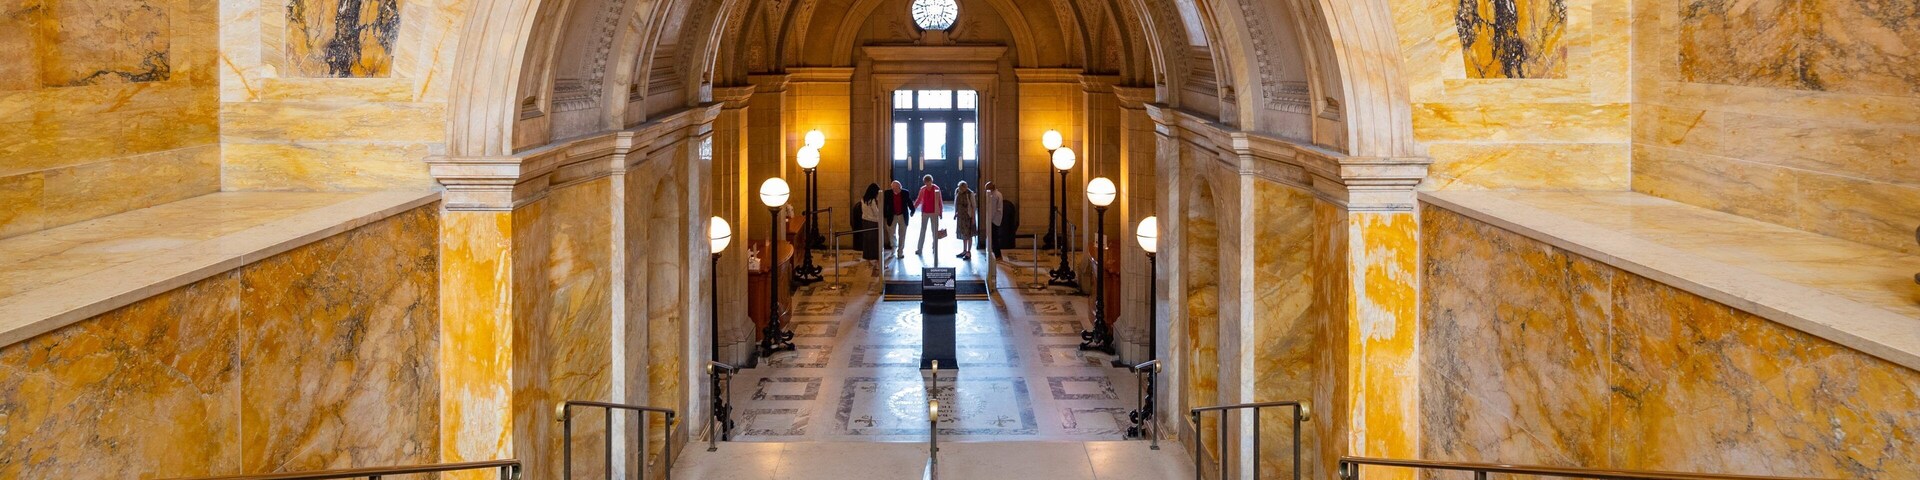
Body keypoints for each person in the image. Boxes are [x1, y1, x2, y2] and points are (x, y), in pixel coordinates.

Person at [912, 175, 943, 256]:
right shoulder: (923, 189)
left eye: (929, 183)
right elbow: (919, 199)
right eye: (926, 183)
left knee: (934, 231)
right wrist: (913, 208)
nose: (928, 185)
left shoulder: (936, 188)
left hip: (934, 212)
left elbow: (940, 201)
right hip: (925, 212)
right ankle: (919, 249)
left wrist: (940, 212)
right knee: (923, 230)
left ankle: (935, 247)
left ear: (931, 181)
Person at [883, 180, 911, 258]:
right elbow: (885, 204)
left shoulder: (905, 193)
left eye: (897, 188)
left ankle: (900, 252)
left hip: (902, 215)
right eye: (893, 188)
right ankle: (894, 247)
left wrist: (912, 210)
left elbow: (909, 202)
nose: (895, 189)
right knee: (891, 232)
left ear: (900, 187)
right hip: (892, 215)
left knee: (902, 234)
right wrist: (885, 215)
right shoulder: (887, 193)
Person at [858, 183, 882, 266]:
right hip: (873, 222)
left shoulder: (863, 199)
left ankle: (867, 256)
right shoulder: (872, 201)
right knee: (873, 240)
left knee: (867, 240)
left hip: (865, 220)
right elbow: (876, 213)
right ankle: (873, 257)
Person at [953, 181, 977, 261]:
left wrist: (973, 218)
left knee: (969, 234)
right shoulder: (957, 191)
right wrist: (956, 213)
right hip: (961, 216)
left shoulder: (970, 193)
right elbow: (956, 203)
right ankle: (964, 250)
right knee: (963, 234)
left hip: (968, 216)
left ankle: (968, 252)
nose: (962, 190)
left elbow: (973, 206)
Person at [982, 182, 1003, 258]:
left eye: (987, 189)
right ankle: (996, 253)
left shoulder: (994, 196)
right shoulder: (998, 194)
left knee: (994, 237)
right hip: (996, 218)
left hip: (994, 219)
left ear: (991, 188)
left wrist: (989, 219)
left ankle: (996, 254)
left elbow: (993, 209)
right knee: (995, 237)